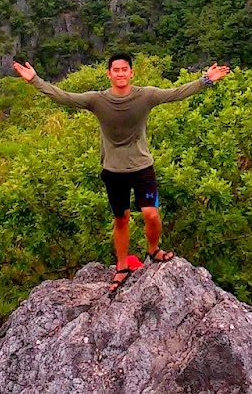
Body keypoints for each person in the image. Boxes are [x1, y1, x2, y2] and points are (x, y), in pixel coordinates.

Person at [12, 52, 230, 294]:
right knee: (121, 219)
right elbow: (65, 97)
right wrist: (35, 80)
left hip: (142, 166)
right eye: (115, 70)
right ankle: (122, 265)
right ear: (109, 74)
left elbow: (176, 94)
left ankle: (153, 250)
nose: (120, 73)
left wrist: (206, 80)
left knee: (151, 214)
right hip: (113, 170)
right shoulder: (97, 100)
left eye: (124, 69)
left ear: (131, 72)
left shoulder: (145, 96)